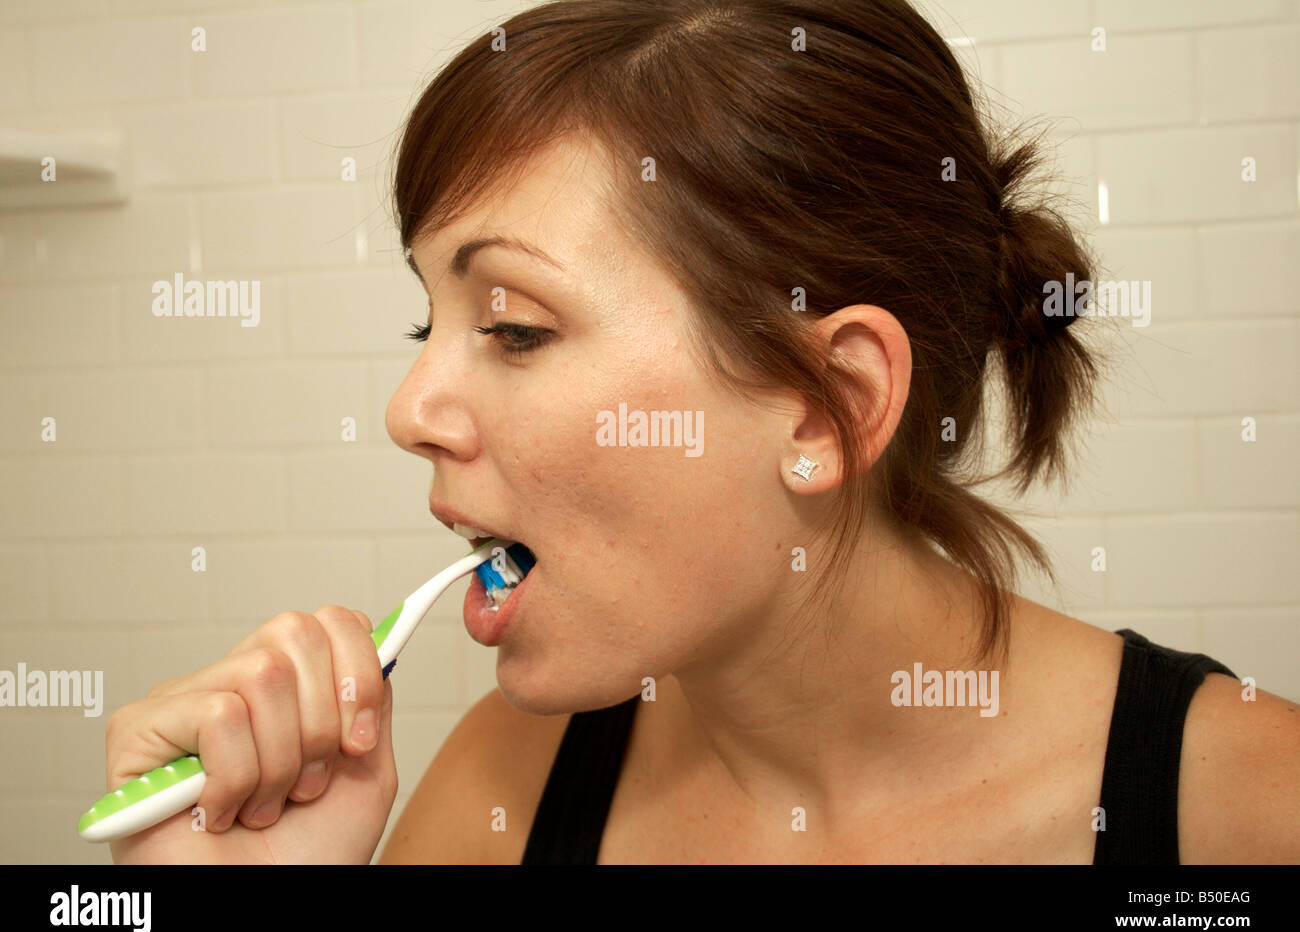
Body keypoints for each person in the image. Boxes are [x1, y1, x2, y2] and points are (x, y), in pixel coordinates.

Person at [106, 0, 1299, 865]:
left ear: (827, 405)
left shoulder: (1245, 812)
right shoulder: (500, 793)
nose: (408, 412)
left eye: (513, 325)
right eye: (428, 320)